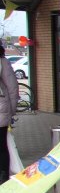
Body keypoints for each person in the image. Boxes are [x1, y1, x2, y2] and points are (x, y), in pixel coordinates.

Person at [0, 45, 20, 183]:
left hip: (1, 109)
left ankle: (3, 175)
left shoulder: (3, 63)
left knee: (1, 145)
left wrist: (11, 111)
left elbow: (12, 88)